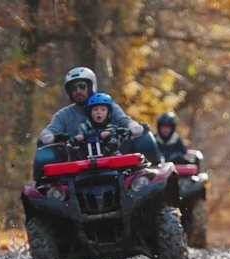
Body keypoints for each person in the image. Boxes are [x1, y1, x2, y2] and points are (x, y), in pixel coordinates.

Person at [33, 67, 161, 179]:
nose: (78, 90)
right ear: (69, 92)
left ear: (91, 86)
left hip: (114, 163)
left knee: (146, 178)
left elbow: (125, 121)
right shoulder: (64, 115)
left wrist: (133, 126)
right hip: (77, 169)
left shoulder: (108, 106)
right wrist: (48, 136)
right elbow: (50, 130)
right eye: (74, 88)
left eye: (82, 86)